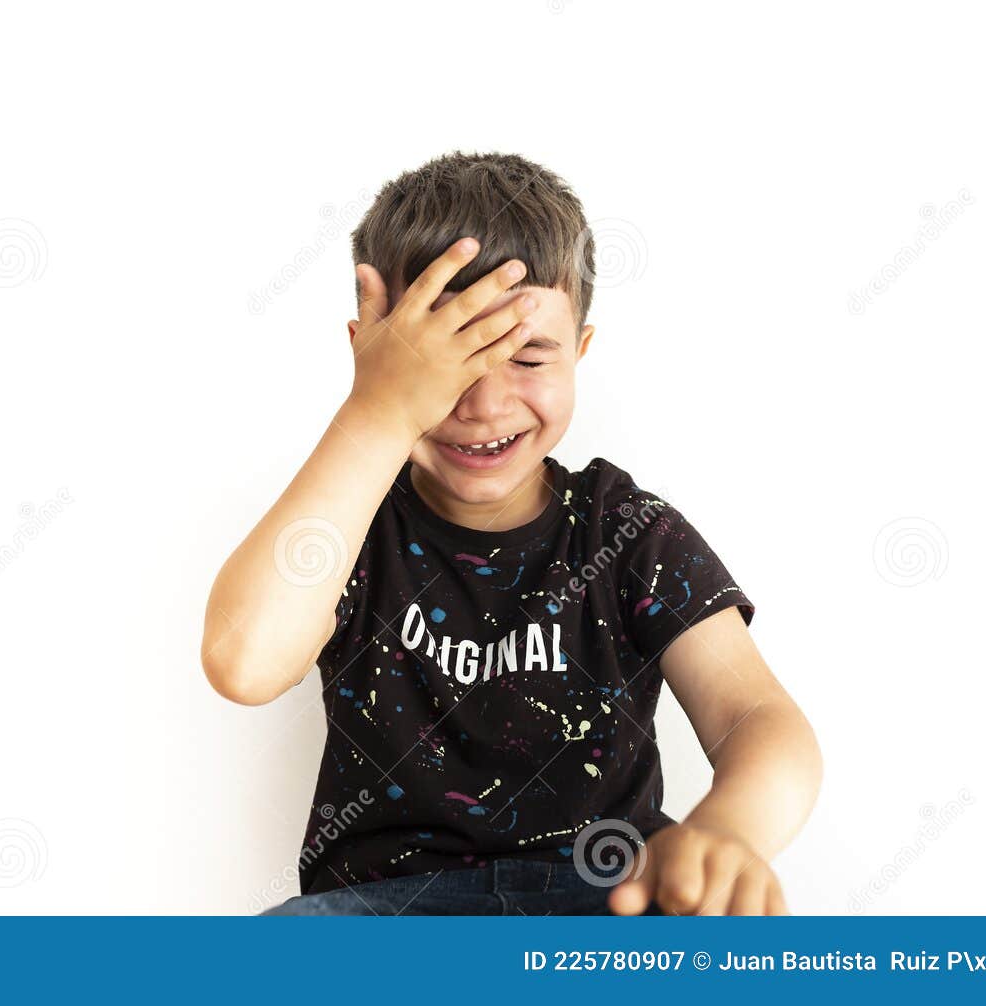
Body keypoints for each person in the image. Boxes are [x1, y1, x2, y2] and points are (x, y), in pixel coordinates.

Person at [205, 152, 822, 915]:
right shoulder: (347, 521)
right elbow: (244, 661)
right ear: (370, 356)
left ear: (580, 353)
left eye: (529, 356)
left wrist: (729, 832)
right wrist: (377, 411)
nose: (485, 404)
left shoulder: (627, 531)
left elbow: (756, 717)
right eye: (446, 364)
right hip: (379, 915)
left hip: (605, 905)